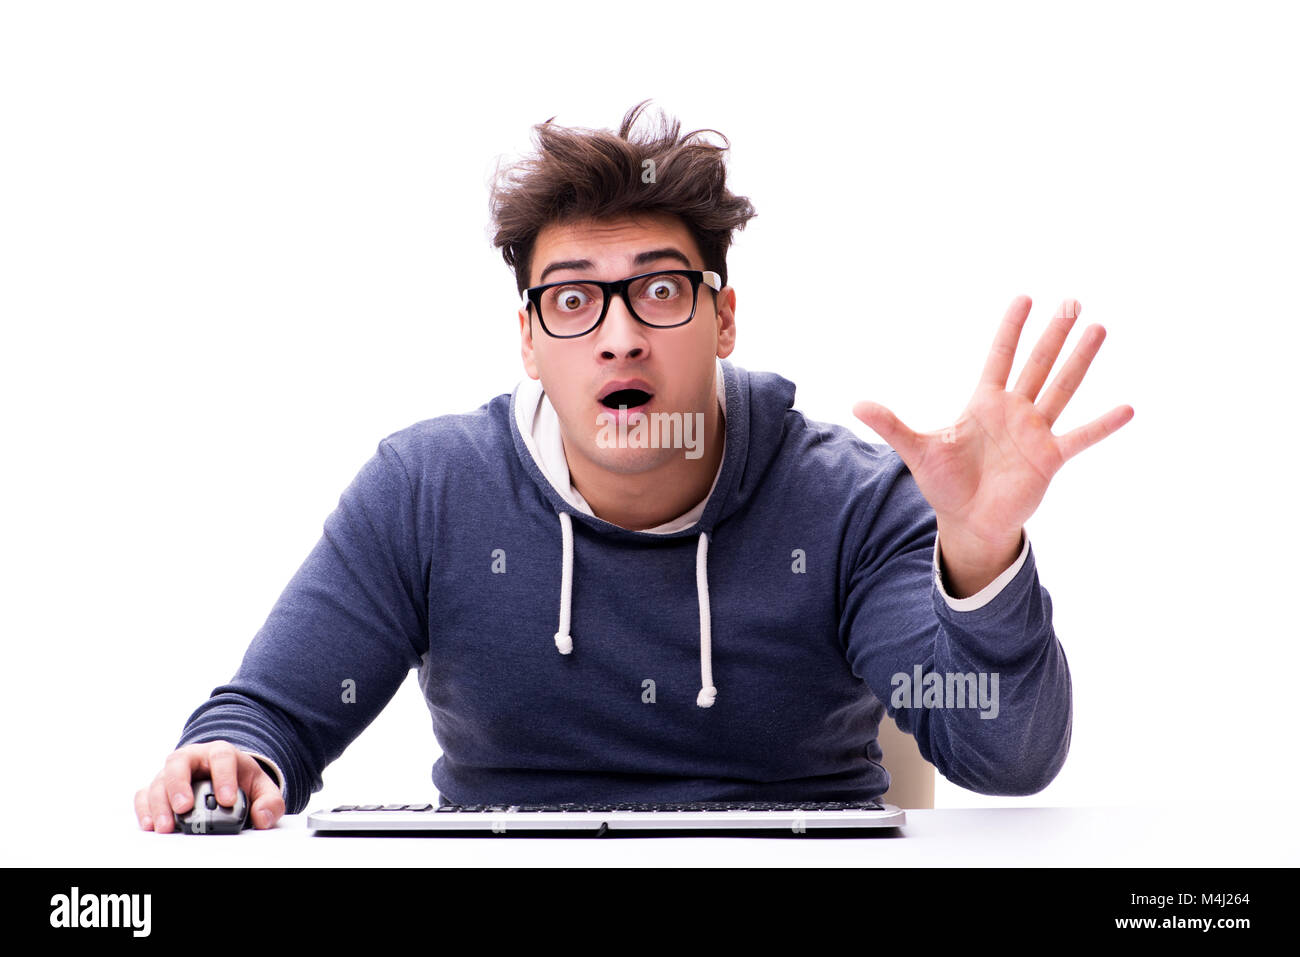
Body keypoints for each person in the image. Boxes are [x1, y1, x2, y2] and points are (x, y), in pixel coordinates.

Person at [135, 101, 1132, 832]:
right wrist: (232, 758)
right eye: (572, 302)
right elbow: (271, 715)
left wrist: (984, 555)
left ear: (722, 319)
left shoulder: (849, 500)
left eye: (659, 290)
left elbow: (1006, 758)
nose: (618, 337)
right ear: (528, 342)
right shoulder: (426, 491)